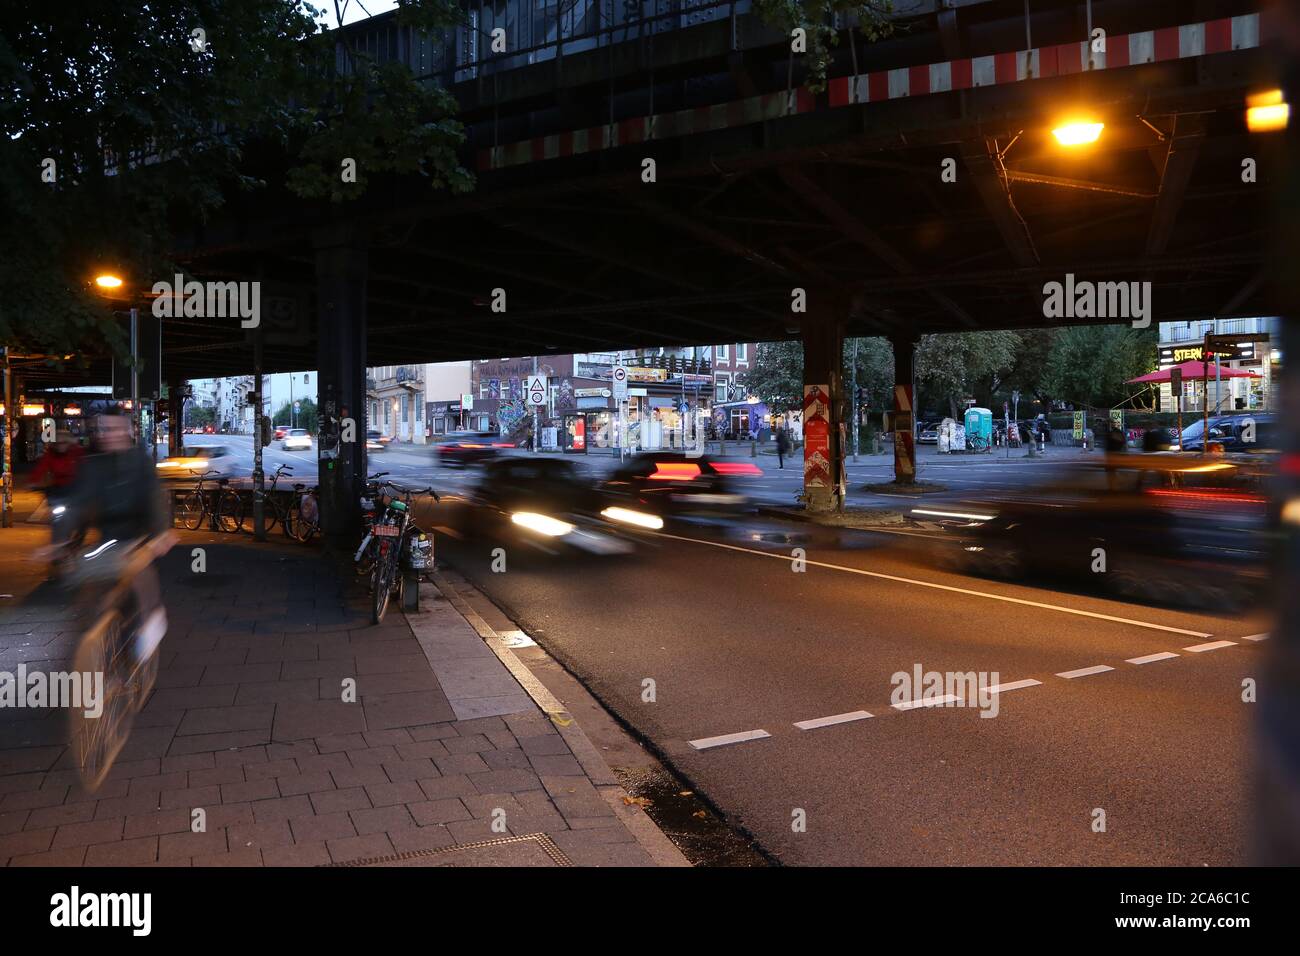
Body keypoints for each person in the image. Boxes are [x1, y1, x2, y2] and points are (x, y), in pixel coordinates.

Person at [61, 410, 173, 666]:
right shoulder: (93, 464)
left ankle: (152, 621)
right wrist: (61, 542)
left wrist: (160, 533)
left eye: (113, 429)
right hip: (106, 540)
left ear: (128, 431)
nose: (107, 435)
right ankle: (94, 638)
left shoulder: (140, 462)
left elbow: (154, 498)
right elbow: (77, 503)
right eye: (103, 430)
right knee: (84, 580)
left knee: (139, 572)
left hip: (138, 537)